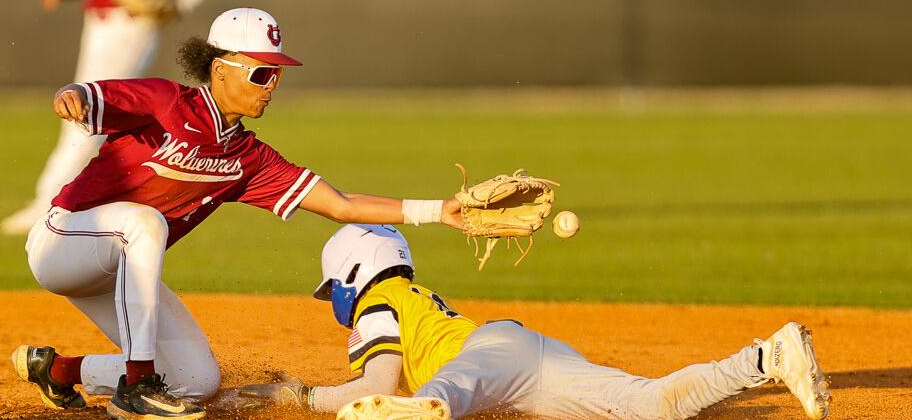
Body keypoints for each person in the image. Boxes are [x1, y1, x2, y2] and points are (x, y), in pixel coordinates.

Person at [9, 8, 464, 420]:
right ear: (221, 69)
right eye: (262, 73)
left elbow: (340, 205)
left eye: (277, 75)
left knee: (196, 382)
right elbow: (88, 92)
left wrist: (439, 210)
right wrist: (70, 96)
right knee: (146, 222)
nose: (272, 86)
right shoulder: (167, 102)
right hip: (63, 241)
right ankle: (138, 385)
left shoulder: (248, 158)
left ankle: (59, 370)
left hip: (115, 271)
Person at [233, 224, 831, 420]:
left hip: (484, 360)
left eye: (333, 287)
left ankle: (435, 408)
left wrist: (304, 396)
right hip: (520, 351)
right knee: (651, 407)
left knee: (438, 399)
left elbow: (378, 389)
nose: (335, 299)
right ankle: (767, 357)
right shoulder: (410, 293)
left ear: (352, 275)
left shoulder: (373, 307)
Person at [1, 0, 211, 236]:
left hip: (133, 27)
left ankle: (51, 204)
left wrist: (178, 7)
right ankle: (76, 200)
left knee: (87, 110)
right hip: (96, 25)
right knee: (91, 112)